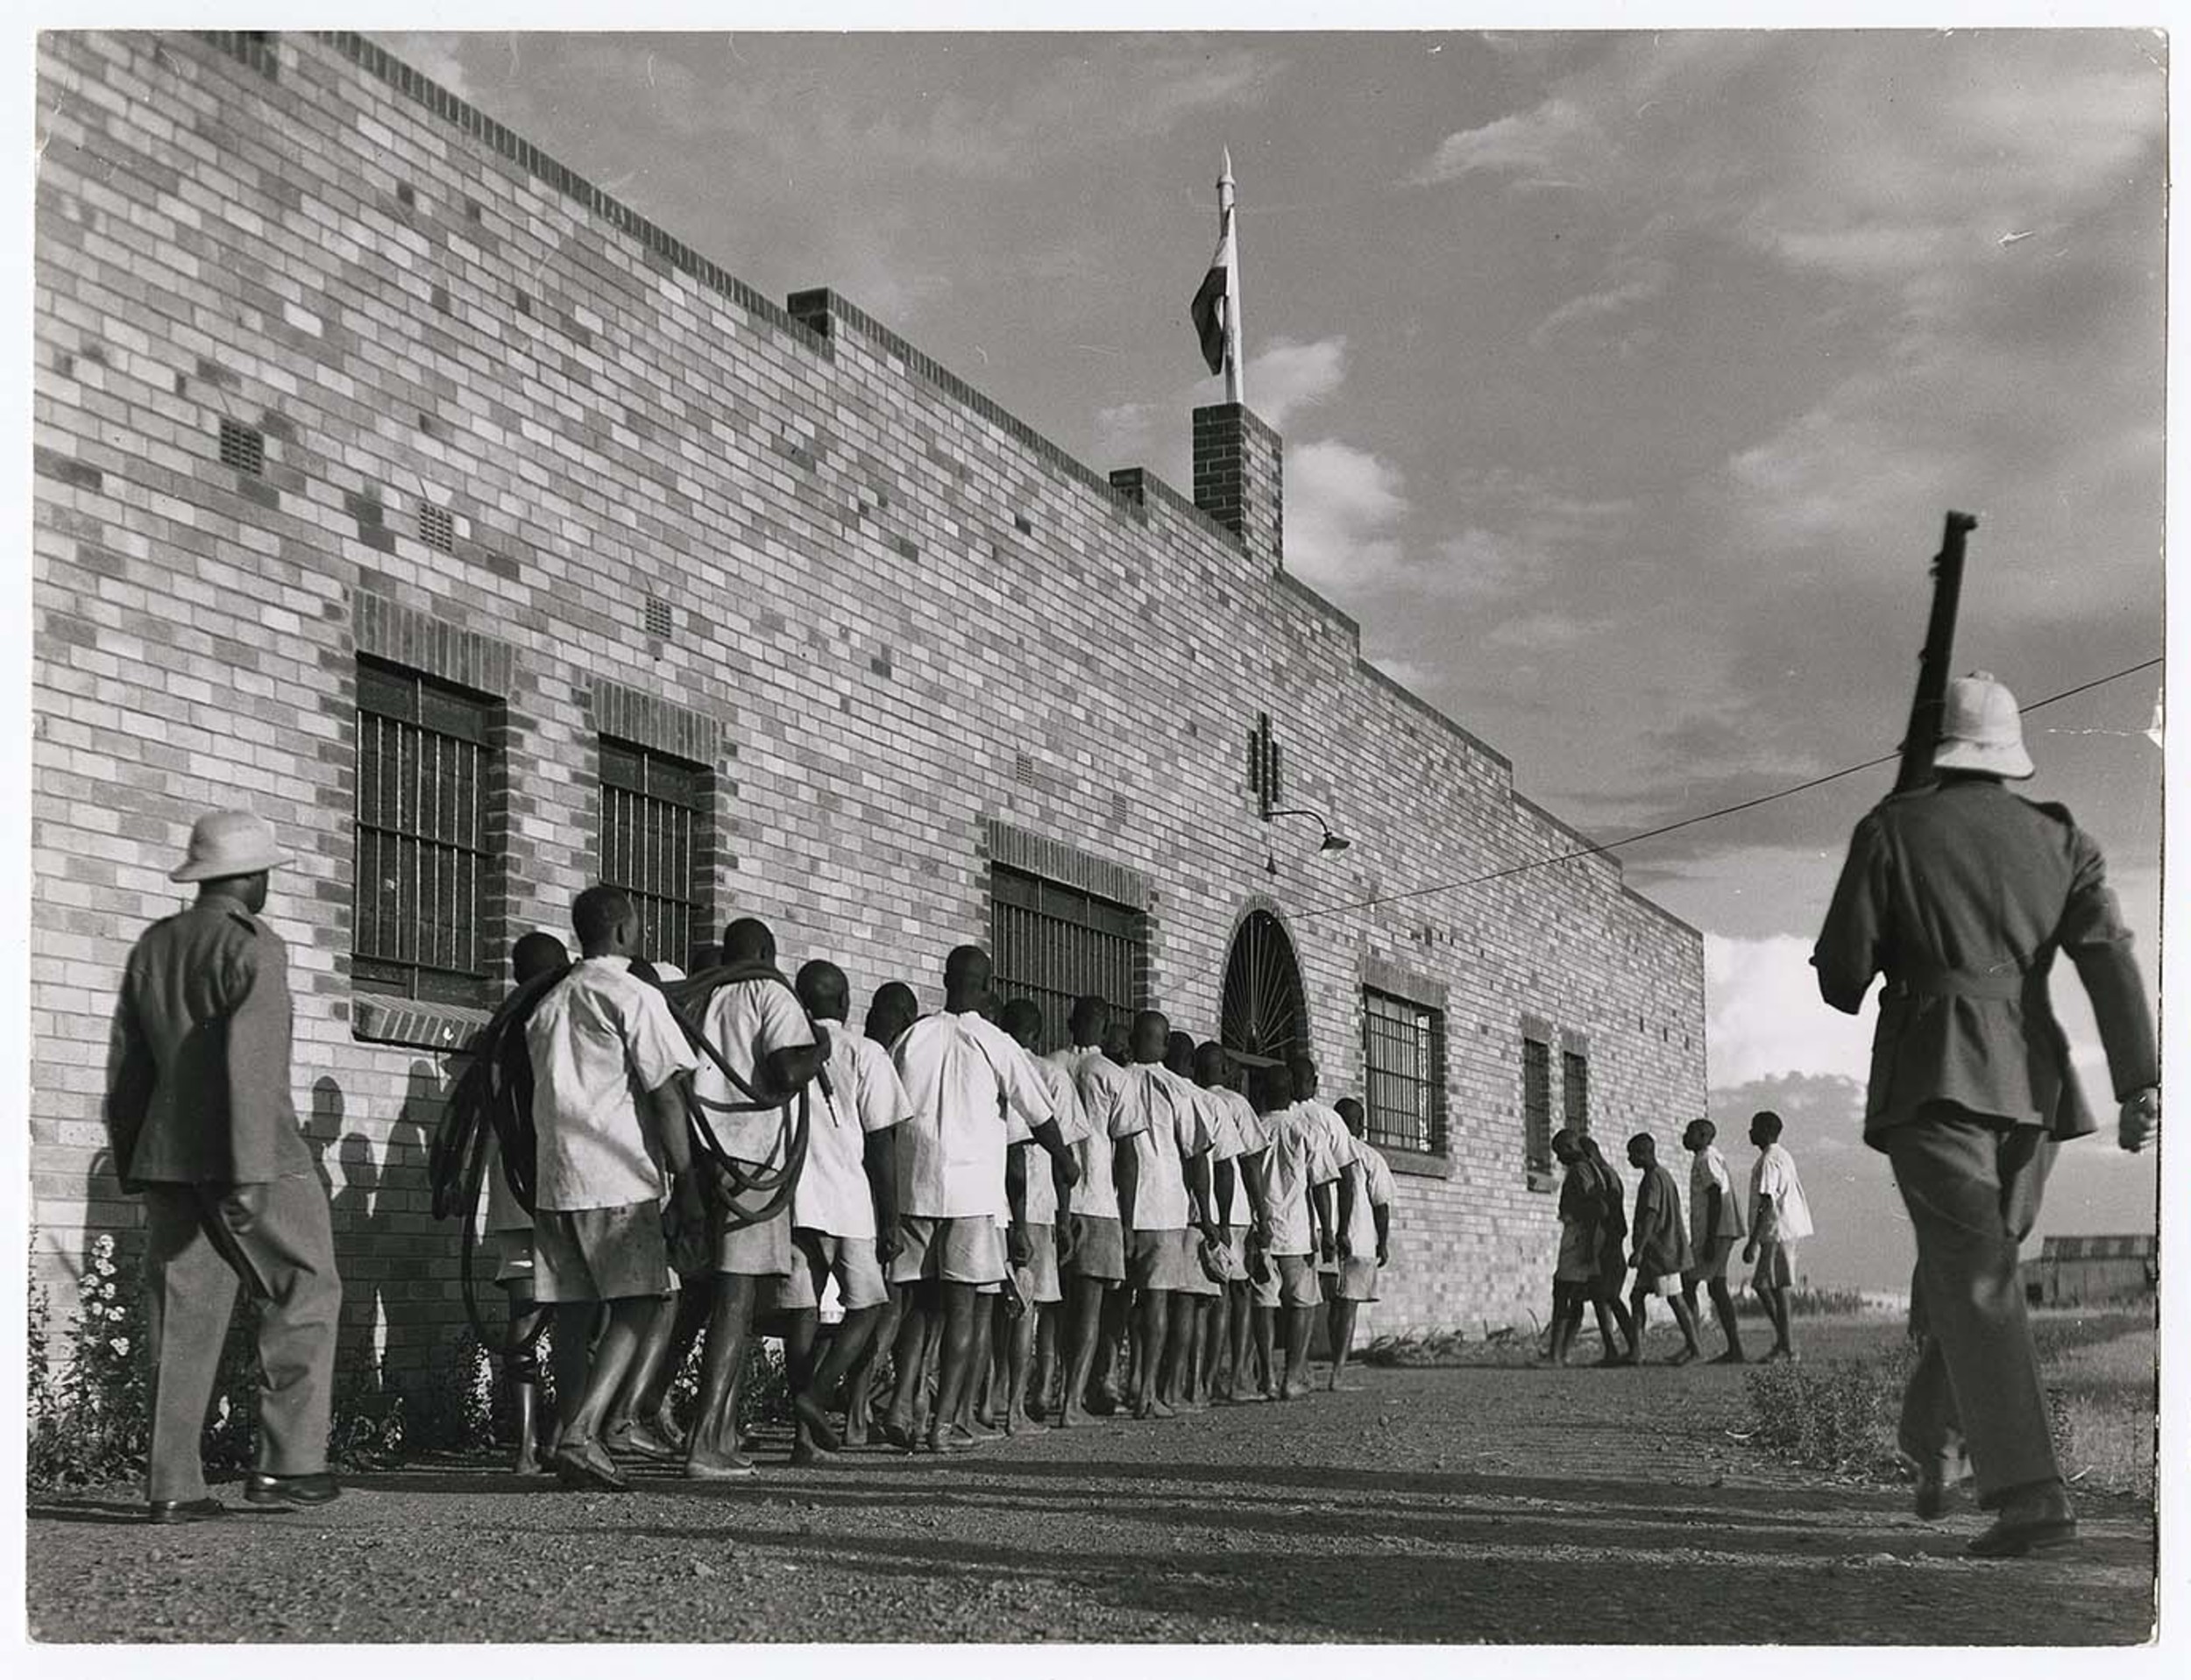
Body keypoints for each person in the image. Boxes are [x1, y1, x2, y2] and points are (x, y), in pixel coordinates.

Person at [1812, 671, 2160, 1556]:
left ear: (1935, 748)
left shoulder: (1891, 827)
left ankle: (2032, 1497)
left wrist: (1886, 887)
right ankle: (1936, 1447)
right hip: (2034, 1097)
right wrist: (2137, 1080)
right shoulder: (2061, 838)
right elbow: (2108, 958)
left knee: (1974, 1280)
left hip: (1930, 1084)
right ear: (2006, 754)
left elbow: (1842, 980)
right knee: (1982, 1278)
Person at [103, 810, 345, 1523]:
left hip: (169, 1159)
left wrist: (135, 1160)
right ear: (247, 878)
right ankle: (288, 1465)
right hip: (254, 1155)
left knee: (182, 1312)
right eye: (264, 872)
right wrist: (247, 1169)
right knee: (304, 1289)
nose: (267, 884)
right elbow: (254, 1064)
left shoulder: (157, 943)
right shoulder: (253, 945)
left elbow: (129, 1066)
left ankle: (172, 1483)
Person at [521, 885, 706, 1491]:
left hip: (558, 1181)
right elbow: (666, 1093)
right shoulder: (632, 994)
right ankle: (583, 1431)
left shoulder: (549, 1004)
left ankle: (568, 1436)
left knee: (574, 1312)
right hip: (615, 1176)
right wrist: (689, 1179)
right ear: (626, 930)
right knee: (643, 1300)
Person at [885, 946, 1075, 1454]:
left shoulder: (913, 1036)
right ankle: (942, 1427)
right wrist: (1065, 1162)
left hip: (916, 1187)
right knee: (963, 1312)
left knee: (920, 1306)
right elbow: (1040, 1114)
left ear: (946, 979)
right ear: (988, 984)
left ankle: (903, 1403)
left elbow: (888, 1111)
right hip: (971, 1193)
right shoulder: (996, 1041)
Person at [684, 917, 824, 1478]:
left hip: (700, 1154)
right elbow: (787, 1067)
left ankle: (717, 1431)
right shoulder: (772, 993)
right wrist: (821, 1047)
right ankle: (704, 1442)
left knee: (713, 1297)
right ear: (766, 952)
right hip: (749, 1158)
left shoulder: (702, 998)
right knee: (736, 1302)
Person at [770, 960, 911, 1464]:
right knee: (868, 1305)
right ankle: (816, 1393)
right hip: (847, 1198)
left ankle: (802, 1441)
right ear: (846, 1002)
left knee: (801, 1314)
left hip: (793, 1196)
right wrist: (890, 1217)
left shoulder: (785, 1049)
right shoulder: (865, 1052)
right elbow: (881, 1144)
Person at [479, 930, 571, 1473]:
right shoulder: (562, 1024)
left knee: (524, 1312)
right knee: (576, 1314)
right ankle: (563, 1434)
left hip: (512, 1185)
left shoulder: (499, 1031)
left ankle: (526, 1445)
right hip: (562, 1181)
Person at [1111, 1011, 1221, 1417]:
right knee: (1156, 1301)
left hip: (1117, 1205)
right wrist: (1206, 1215)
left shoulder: (1115, 1077)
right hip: (1163, 1205)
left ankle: (1114, 1383)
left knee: (1119, 1303)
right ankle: (1145, 1391)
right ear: (1164, 1041)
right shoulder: (1179, 1089)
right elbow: (1197, 1158)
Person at [842, 981, 922, 1447]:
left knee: (880, 1309)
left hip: (861, 1200)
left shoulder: (855, 1050)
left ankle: (863, 1408)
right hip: (885, 1201)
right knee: (887, 1308)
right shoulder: (891, 1057)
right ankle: (858, 1413)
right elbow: (884, 1144)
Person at [999, 998, 1083, 1432]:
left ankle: (985, 1403)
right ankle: (1016, 1407)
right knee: (1029, 1307)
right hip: (1033, 1205)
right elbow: (1060, 1155)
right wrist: (1066, 1217)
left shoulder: (989, 1059)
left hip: (987, 1202)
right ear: (1037, 1033)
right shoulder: (1050, 1076)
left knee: (988, 1309)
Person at [1046, 996, 1127, 1428]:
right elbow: (1126, 1151)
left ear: (1069, 1021)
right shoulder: (1112, 1075)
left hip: (1053, 1199)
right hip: (1097, 1199)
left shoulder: (1048, 1064)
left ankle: (1045, 1387)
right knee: (1091, 1311)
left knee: (1055, 1307)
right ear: (1106, 1024)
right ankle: (1071, 1403)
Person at [1255, 1061, 1343, 1399]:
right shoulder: (1306, 1130)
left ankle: (1267, 1376)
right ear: (1292, 1091)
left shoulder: (1255, 1127)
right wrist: (1329, 1231)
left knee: (1264, 1303)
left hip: (1262, 1231)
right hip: (1297, 1233)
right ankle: (1293, 1376)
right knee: (1302, 1305)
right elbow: (1321, 1185)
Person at [1195, 1041, 1270, 1404]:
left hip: (1197, 1212)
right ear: (1224, 1069)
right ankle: (1236, 1376)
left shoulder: (1190, 1095)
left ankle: (1203, 1380)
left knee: (1208, 1298)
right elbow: (1251, 1164)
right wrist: (1262, 1212)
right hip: (1234, 1213)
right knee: (1237, 1295)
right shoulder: (1237, 1104)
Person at [1162, 1029, 1227, 1409]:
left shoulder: (1144, 1084)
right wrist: (1209, 1215)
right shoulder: (1198, 1100)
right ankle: (1191, 1387)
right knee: (1194, 1304)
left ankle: (1155, 1386)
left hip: (1154, 1212)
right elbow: (1214, 1166)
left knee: (1160, 1305)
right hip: (1190, 1214)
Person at [1326, 1098, 1394, 1391]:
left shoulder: (1325, 1151)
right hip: (1360, 1239)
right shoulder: (1370, 1156)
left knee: (1331, 1306)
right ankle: (1337, 1372)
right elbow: (1382, 1205)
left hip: (1326, 1236)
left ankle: (1328, 1366)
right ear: (1361, 1124)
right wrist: (1383, 1242)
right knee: (1349, 1307)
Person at [1740, 1111, 1812, 1365]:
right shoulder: (1781, 1156)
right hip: (1780, 1230)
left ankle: (1788, 1346)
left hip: (1777, 1230)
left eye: (1754, 1128)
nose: (1749, 1132)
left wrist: (1752, 1242)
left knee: (1772, 1286)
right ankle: (1785, 1343)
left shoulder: (1770, 1159)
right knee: (1771, 1285)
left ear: (1765, 1132)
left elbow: (1767, 1201)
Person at [1624, 1131, 1699, 1364]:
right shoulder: (1662, 1176)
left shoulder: (1654, 1179)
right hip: (1656, 1254)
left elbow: (1651, 1215)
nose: (1629, 1159)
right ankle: (1636, 1351)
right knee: (1637, 1296)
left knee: (1675, 1298)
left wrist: (1639, 1250)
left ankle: (1695, 1348)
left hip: (1661, 1252)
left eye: (1632, 1154)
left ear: (1644, 1154)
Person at [1678, 1119, 1748, 1365]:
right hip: (1718, 1232)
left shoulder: (1707, 1158)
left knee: (1687, 1282)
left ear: (1704, 1135)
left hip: (1715, 1233)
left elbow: (1715, 1195)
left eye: (1690, 1133)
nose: (1685, 1136)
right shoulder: (1708, 1156)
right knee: (1716, 1288)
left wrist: (1709, 1239)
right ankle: (1732, 1349)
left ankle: (1694, 1346)